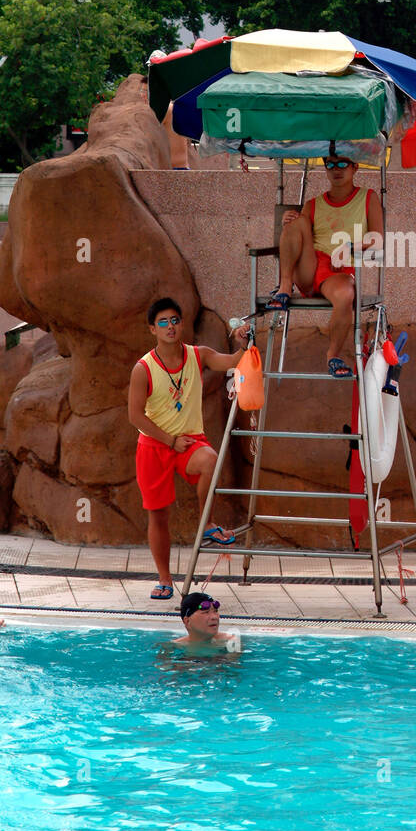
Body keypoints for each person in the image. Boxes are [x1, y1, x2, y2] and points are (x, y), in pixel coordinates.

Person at [128, 298, 249, 601]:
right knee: (158, 516)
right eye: (163, 322)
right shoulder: (143, 368)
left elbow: (233, 361)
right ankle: (165, 580)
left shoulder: (199, 355)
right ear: (152, 329)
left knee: (210, 460)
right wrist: (169, 440)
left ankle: (206, 523)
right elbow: (135, 416)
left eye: (175, 320)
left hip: (189, 441)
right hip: (154, 444)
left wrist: (243, 343)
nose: (170, 326)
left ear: (182, 324)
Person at [266, 153, 385, 378]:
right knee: (295, 222)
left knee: (345, 295)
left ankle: (333, 355)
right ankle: (283, 288)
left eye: (342, 163)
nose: (336, 169)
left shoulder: (368, 198)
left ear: (355, 167)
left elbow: (377, 238)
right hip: (311, 268)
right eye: (330, 164)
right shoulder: (313, 204)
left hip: (340, 269)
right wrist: (288, 224)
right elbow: (297, 238)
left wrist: (352, 245)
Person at [171, 592, 241, 653]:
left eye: (215, 611)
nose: (214, 617)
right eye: (206, 612)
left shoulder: (231, 642)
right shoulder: (173, 647)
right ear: (187, 621)